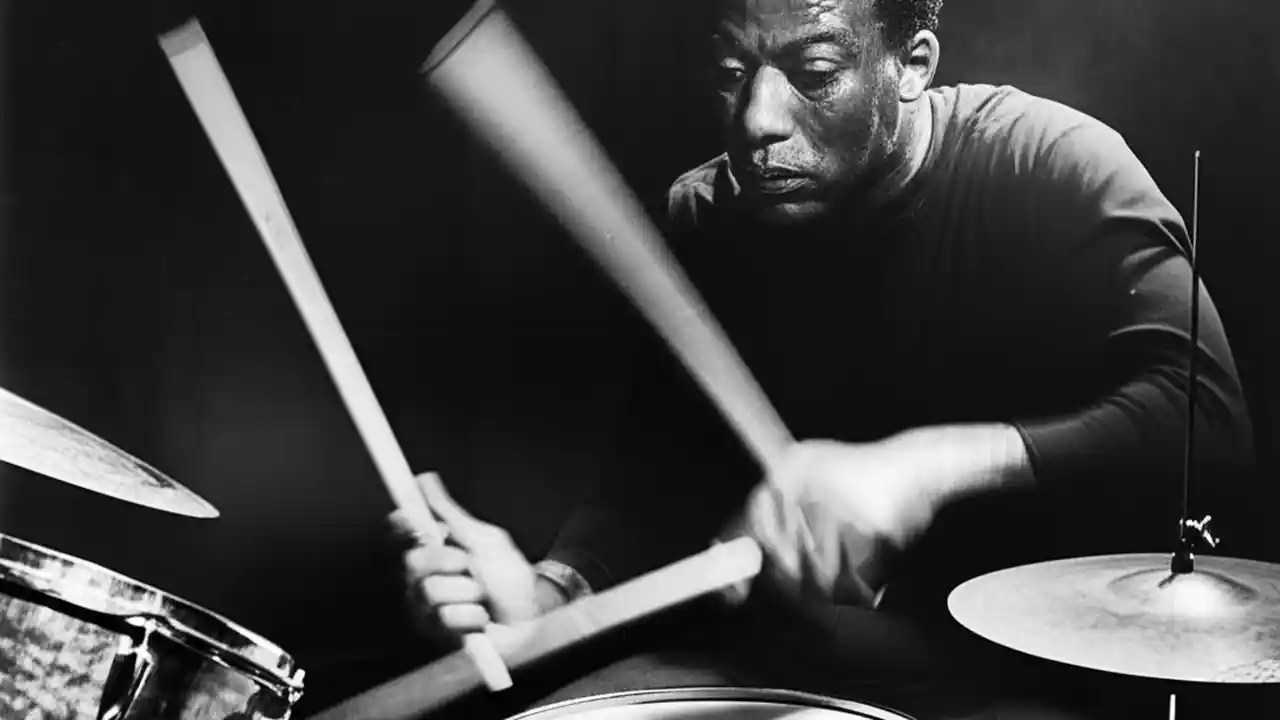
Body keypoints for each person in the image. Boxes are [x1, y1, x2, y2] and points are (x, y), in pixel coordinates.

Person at [396, 0, 1256, 717]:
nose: (758, 123)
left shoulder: (1050, 166)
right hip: (781, 671)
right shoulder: (710, 216)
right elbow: (650, 481)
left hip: (1019, 682)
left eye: (813, 76)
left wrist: (920, 469)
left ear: (912, 62)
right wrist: (548, 597)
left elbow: (1206, 422)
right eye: (733, 75)